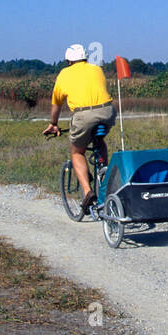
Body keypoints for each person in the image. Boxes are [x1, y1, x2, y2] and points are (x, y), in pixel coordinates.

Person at [42, 44, 115, 211]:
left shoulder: (64, 74)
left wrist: (53, 124)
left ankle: (88, 191)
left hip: (83, 116)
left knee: (77, 152)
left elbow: (57, 105)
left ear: (68, 61)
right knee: (99, 139)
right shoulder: (96, 69)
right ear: (85, 57)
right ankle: (103, 173)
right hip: (107, 111)